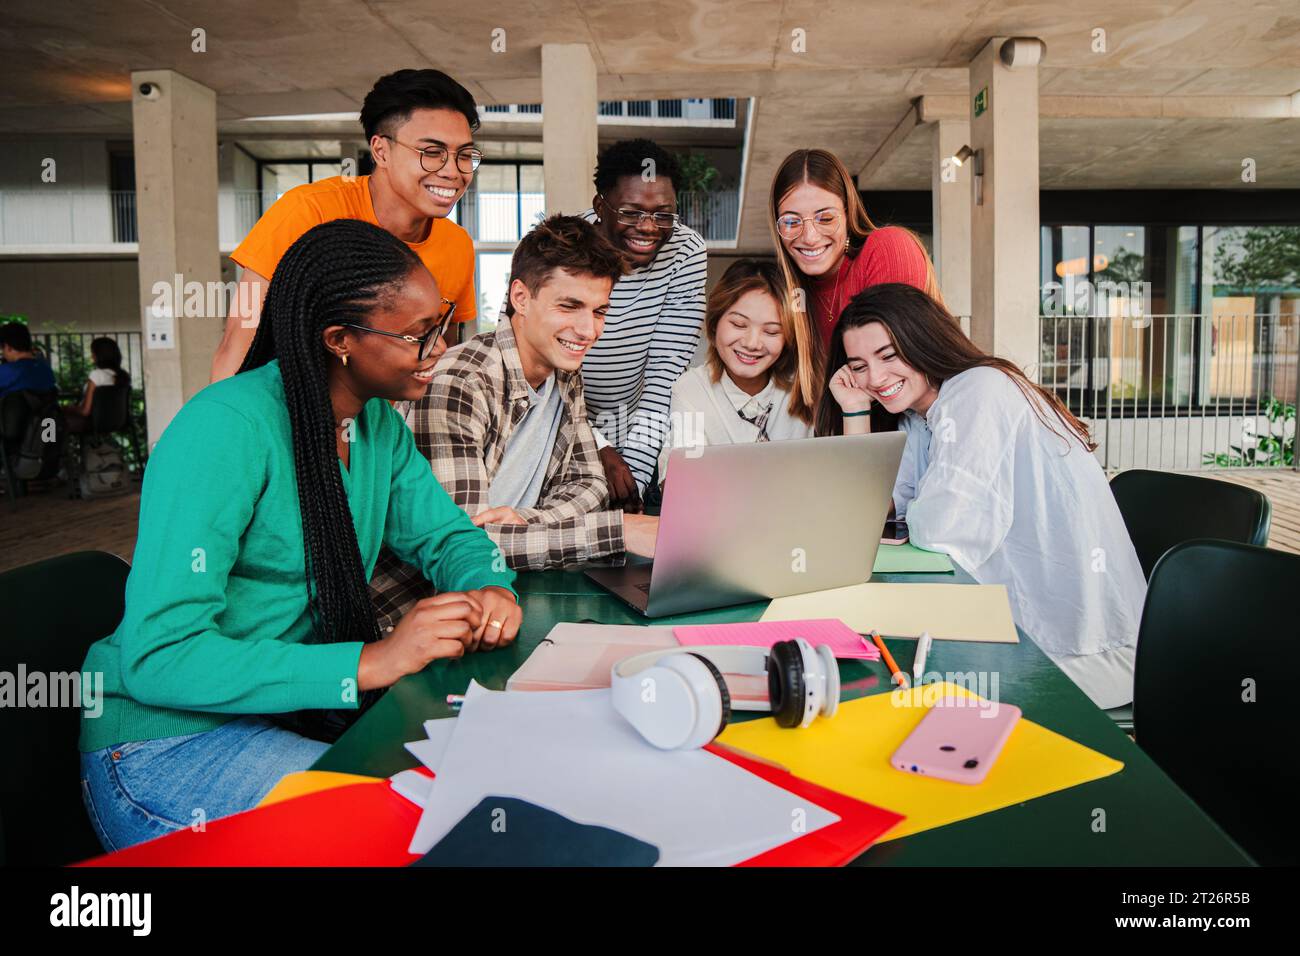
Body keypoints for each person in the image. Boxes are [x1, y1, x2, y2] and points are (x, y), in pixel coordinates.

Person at [79, 219, 520, 853]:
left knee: (466, 800)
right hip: (163, 746)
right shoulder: (225, 429)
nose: (441, 350)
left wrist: (488, 586)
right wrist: (372, 660)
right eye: (418, 336)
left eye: (442, 326)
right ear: (339, 339)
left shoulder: (376, 429)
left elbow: (450, 539)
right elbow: (160, 657)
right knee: (411, 830)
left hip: (270, 719)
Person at [820, 282, 1146, 709]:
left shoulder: (979, 389)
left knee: (896, 696)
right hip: (1016, 628)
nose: (875, 379)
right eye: (858, 365)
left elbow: (942, 532)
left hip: (1085, 651)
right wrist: (856, 410)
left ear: (924, 340)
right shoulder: (922, 417)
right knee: (889, 674)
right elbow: (869, 509)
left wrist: (919, 511)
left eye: (889, 355)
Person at [369, 215, 657, 618]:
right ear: (520, 297)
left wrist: (527, 518)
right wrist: (618, 532)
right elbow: (460, 545)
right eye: (569, 306)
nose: (588, 330)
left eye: (599, 311)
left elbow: (590, 483)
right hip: (417, 612)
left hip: (512, 594)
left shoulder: (564, 372)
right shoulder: (458, 382)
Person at [210, 69, 483, 381]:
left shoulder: (458, 245)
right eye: (431, 153)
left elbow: (442, 352)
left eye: (464, 155)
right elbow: (237, 348)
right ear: (381, 151)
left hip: (387, 424)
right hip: (293, 412)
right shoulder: (307, 211)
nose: (452, 171)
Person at [579, 138, 708, 510]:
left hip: (638, 431)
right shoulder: (563, 247)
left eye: (663, 214)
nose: (648, 227)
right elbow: (544, 377)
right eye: (631, 213)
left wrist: (632, 476)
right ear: (600, 206)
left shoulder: (687, 252)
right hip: (562, 430)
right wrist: (597, 446)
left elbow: (663, 376)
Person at [657, 258, 818, 481]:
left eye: (771, 332)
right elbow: (682, 483)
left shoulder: (806, 386)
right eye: (739, 325)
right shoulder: (691, 389)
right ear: (715, 322)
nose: (752, 343)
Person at [769, 148, 940, 353]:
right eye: (791, 221)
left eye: (825, 218)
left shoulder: (887, 247)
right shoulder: (792, 293)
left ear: (847, 213)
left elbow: (892, 362)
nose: (810, 238)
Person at [64, 337, 130, 433]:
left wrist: (68, 408)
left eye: (93, 353)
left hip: (91, 423)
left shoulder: (97, 375)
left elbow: (85, 411)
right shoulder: (122, 376)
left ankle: (49, 446)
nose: (92, 357)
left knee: (49, 420)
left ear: (99, 355)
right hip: (117, 422)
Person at [0, 322, 56, 398]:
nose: (3, 354)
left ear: (8, 347)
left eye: (2, 349)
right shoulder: (46, 370)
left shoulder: (5, 371)